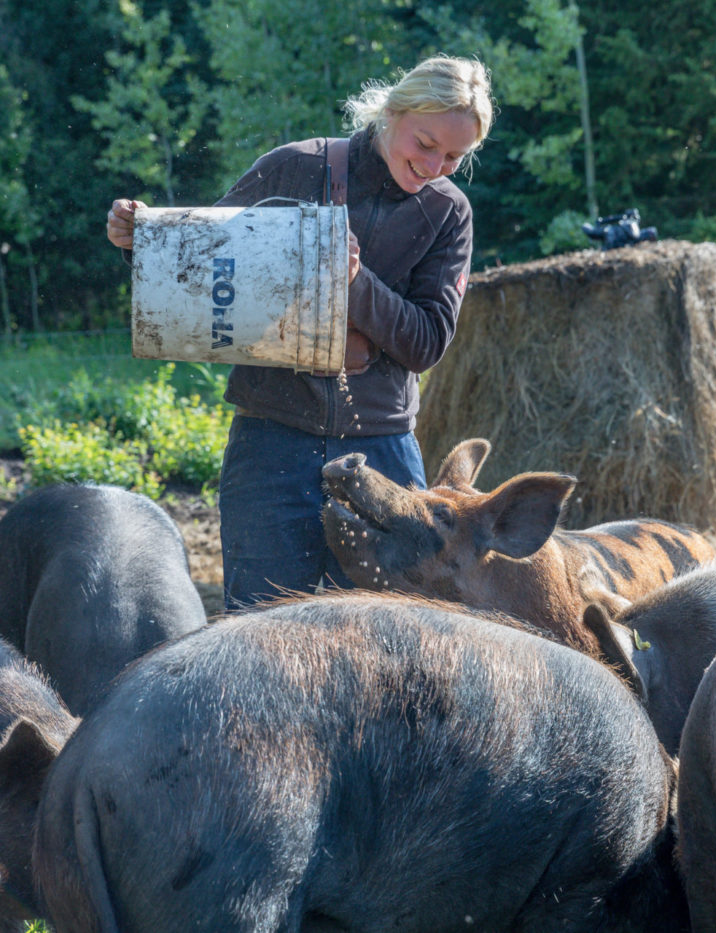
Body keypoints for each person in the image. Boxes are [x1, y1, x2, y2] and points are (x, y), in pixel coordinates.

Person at [105, 54, 494, 611]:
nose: (434, 165)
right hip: (271, 441)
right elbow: (209, 267)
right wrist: (139, 240)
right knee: (257, 632)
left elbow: (426, 344)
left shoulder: (450, 213)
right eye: (426, 143)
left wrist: (355, 282)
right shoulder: (294, 167)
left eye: (454, 156)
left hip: (379, 449)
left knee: (386, 642)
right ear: (392, 111)